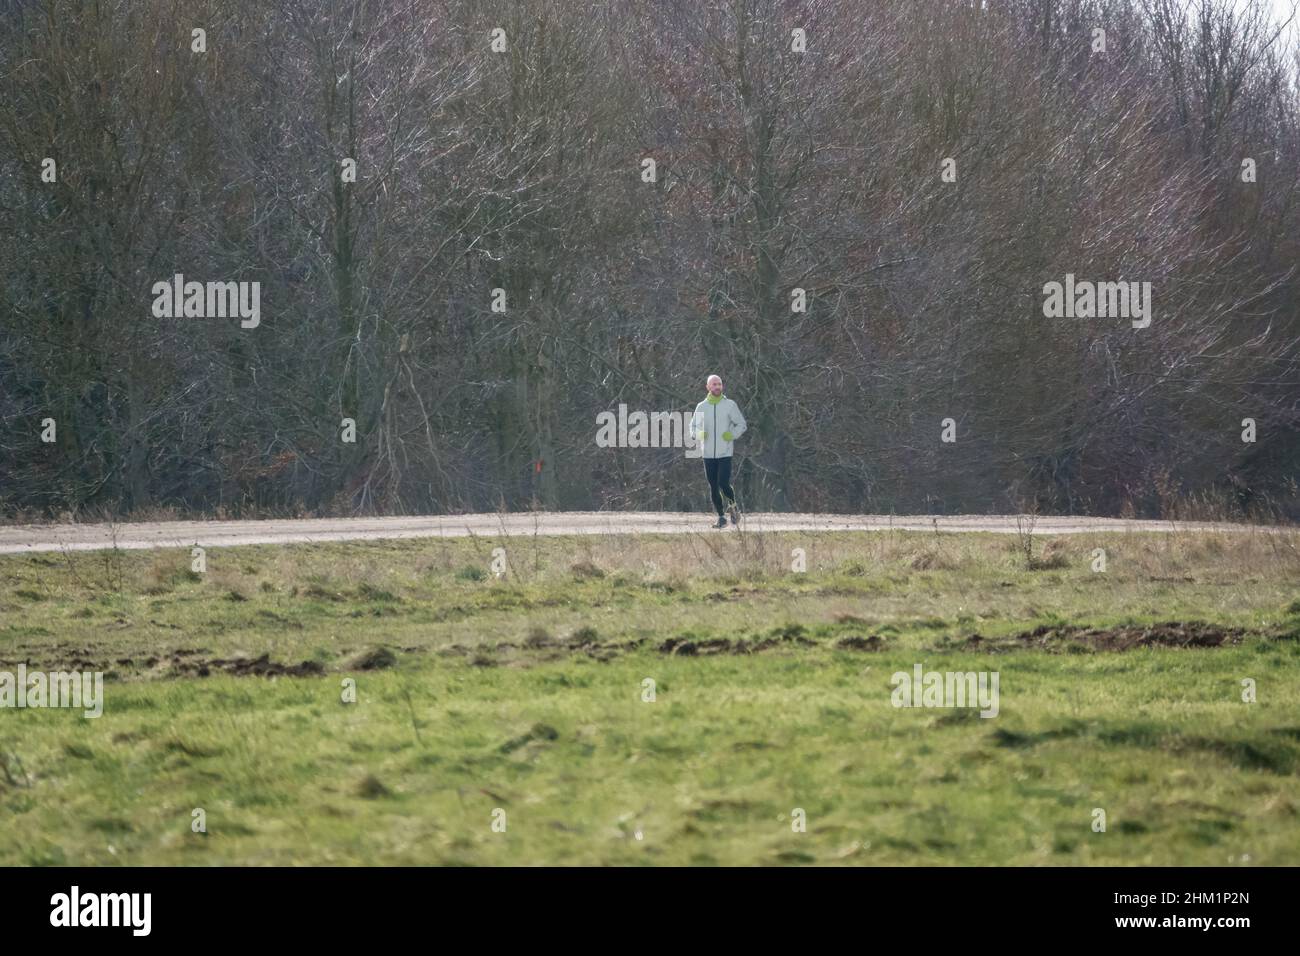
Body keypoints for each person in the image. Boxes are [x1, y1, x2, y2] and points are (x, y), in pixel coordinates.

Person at [690, 374, 747, 528]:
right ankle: (721, 517)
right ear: (708, 387)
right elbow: (692, 427)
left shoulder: (730, 405)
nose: (717, 387)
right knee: (713, 485)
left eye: (719, 384)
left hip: (725, 452)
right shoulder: (701, 407)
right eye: (714, 384)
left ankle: (733, 506)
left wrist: (732, 435)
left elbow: (741, 424)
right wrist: (698, 434)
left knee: (723, 482)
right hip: (708, 453)